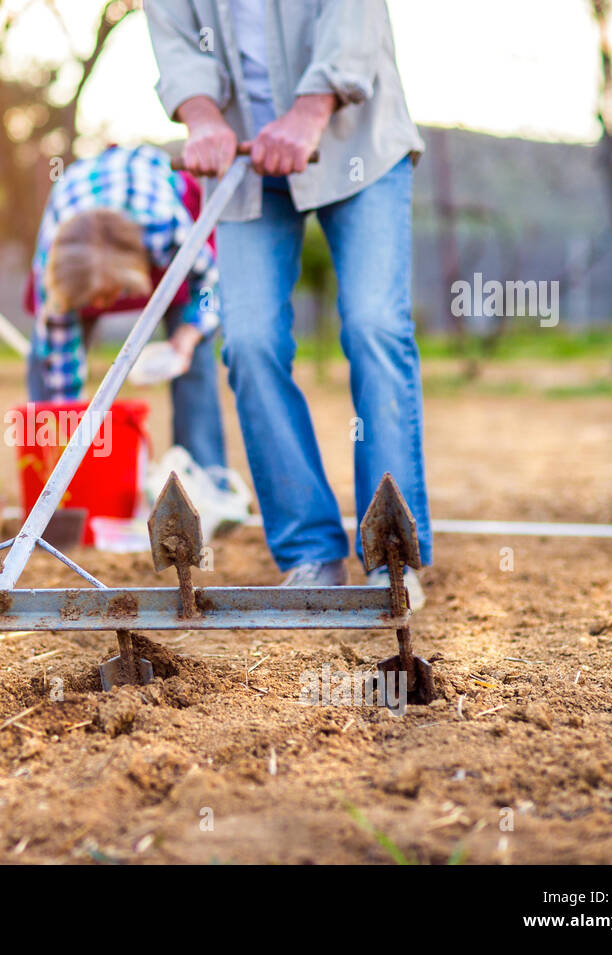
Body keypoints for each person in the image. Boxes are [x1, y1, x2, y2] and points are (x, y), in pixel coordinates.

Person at [146, 0, 430, 606]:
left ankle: (391, 558)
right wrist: (202, 118)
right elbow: (177, 43)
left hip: (357, 148)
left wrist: (308, 113)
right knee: (248, 342)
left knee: (374, 327)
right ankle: (310, 552)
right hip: (248, 163)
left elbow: (352, 20)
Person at [25, 143, 227, 477]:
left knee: (193, 357)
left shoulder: (163, 226)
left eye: (108, 295)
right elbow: (60, 365)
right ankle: (53, 474)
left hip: (154, 215)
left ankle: (204, 475)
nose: (103, 308)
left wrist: (189, 335)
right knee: (44, 361)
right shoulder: (56, 260)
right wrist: (70, 434)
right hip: (76, 217)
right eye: (93, 301)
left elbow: (211, 282)